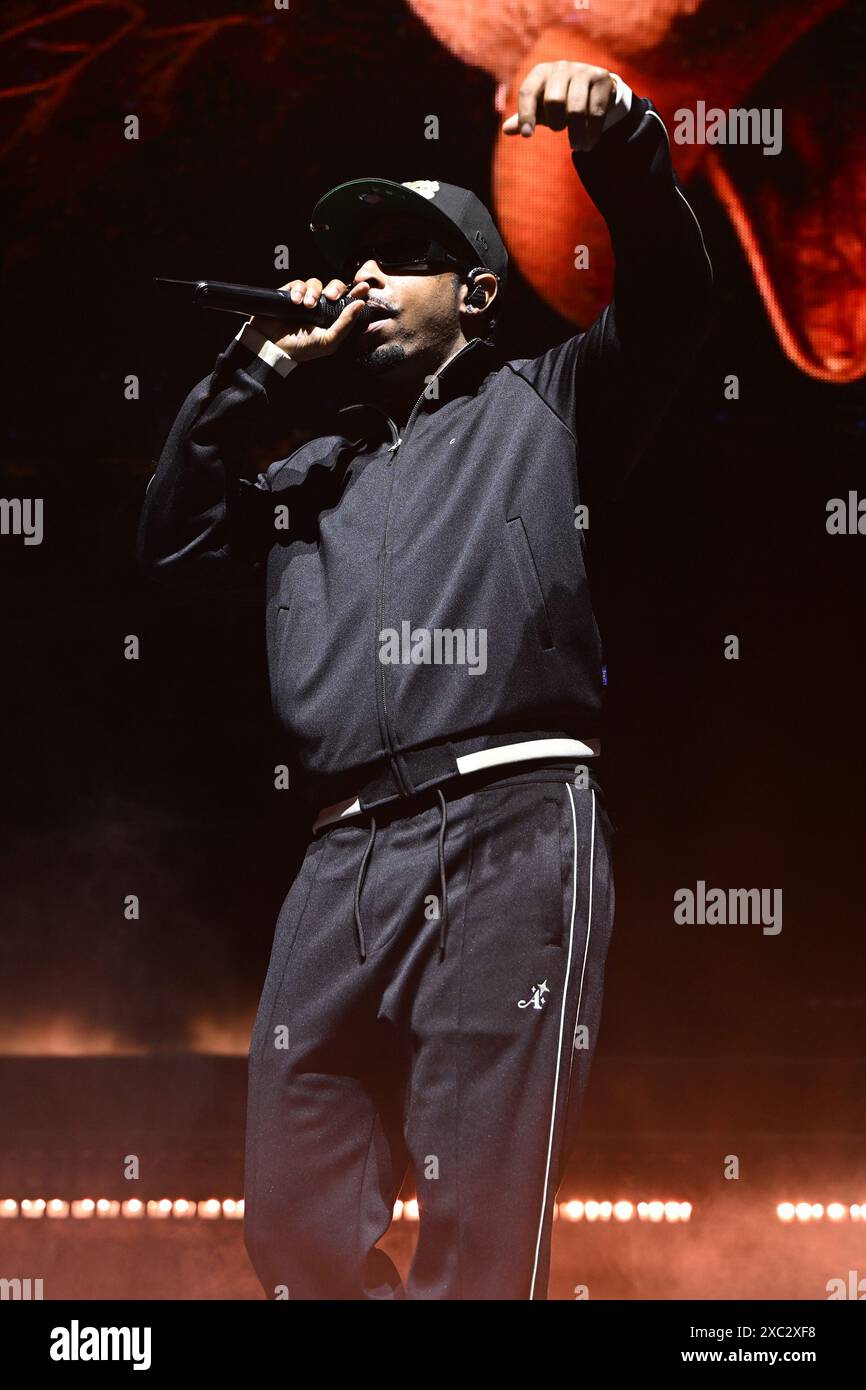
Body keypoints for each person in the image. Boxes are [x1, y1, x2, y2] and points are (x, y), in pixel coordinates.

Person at [138, 60, 713, 1299]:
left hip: (511, 822)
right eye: (350, 254)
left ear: (480, 291)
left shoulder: (546, 402)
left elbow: (671, 296)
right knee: (294, 1228)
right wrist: (257, 372)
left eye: (401, 253)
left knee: (480, 1218)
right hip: (343, 852)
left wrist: (617, 143)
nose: (361, 274)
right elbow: (174, 538)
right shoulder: (312, 469)